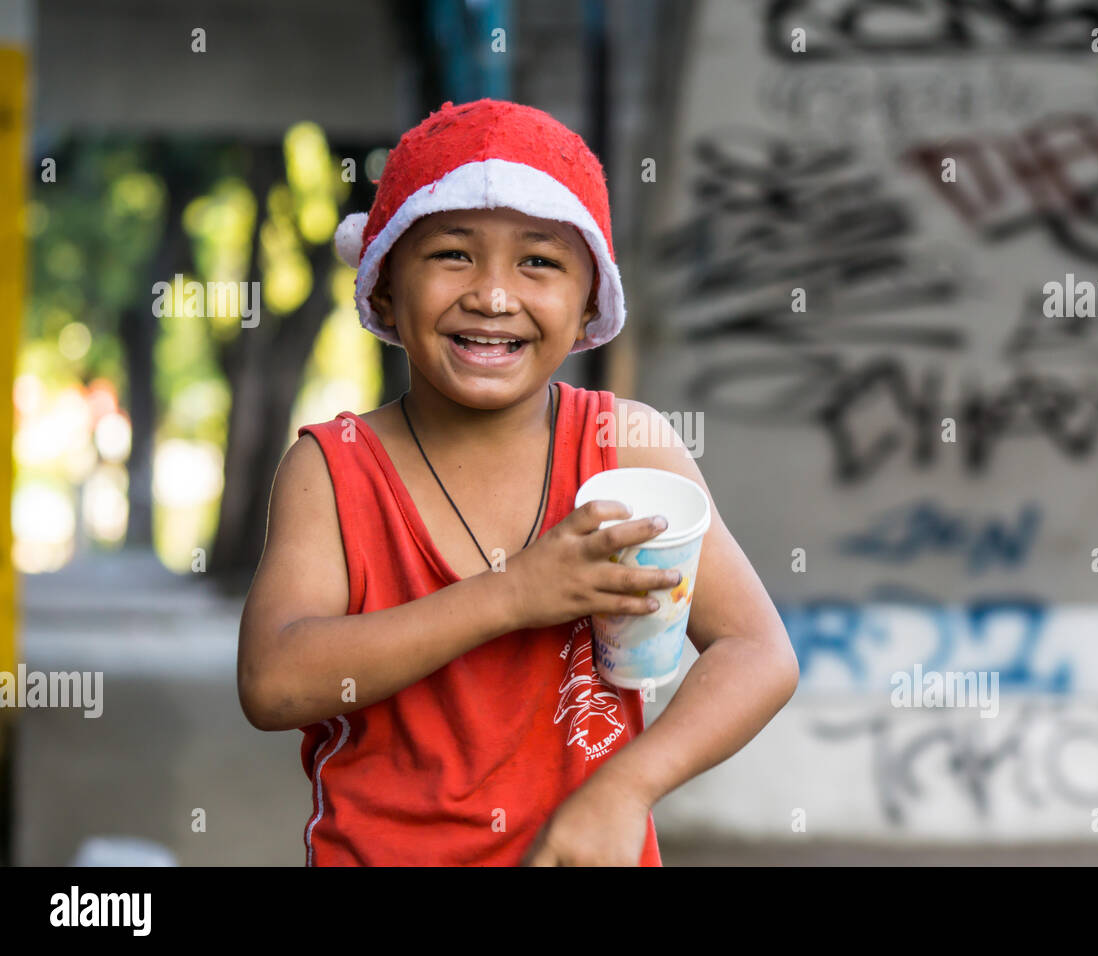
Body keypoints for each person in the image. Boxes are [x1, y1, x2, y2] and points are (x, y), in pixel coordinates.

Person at [236, 99, 799, 866]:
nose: (494, 295)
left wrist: (626, 790)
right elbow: (273, 684)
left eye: (539, 261)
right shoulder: (333, 471)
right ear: (383, 291)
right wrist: (513, 596)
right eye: (453, 255)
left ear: (590, 303)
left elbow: (758, 652)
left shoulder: (624, 445)